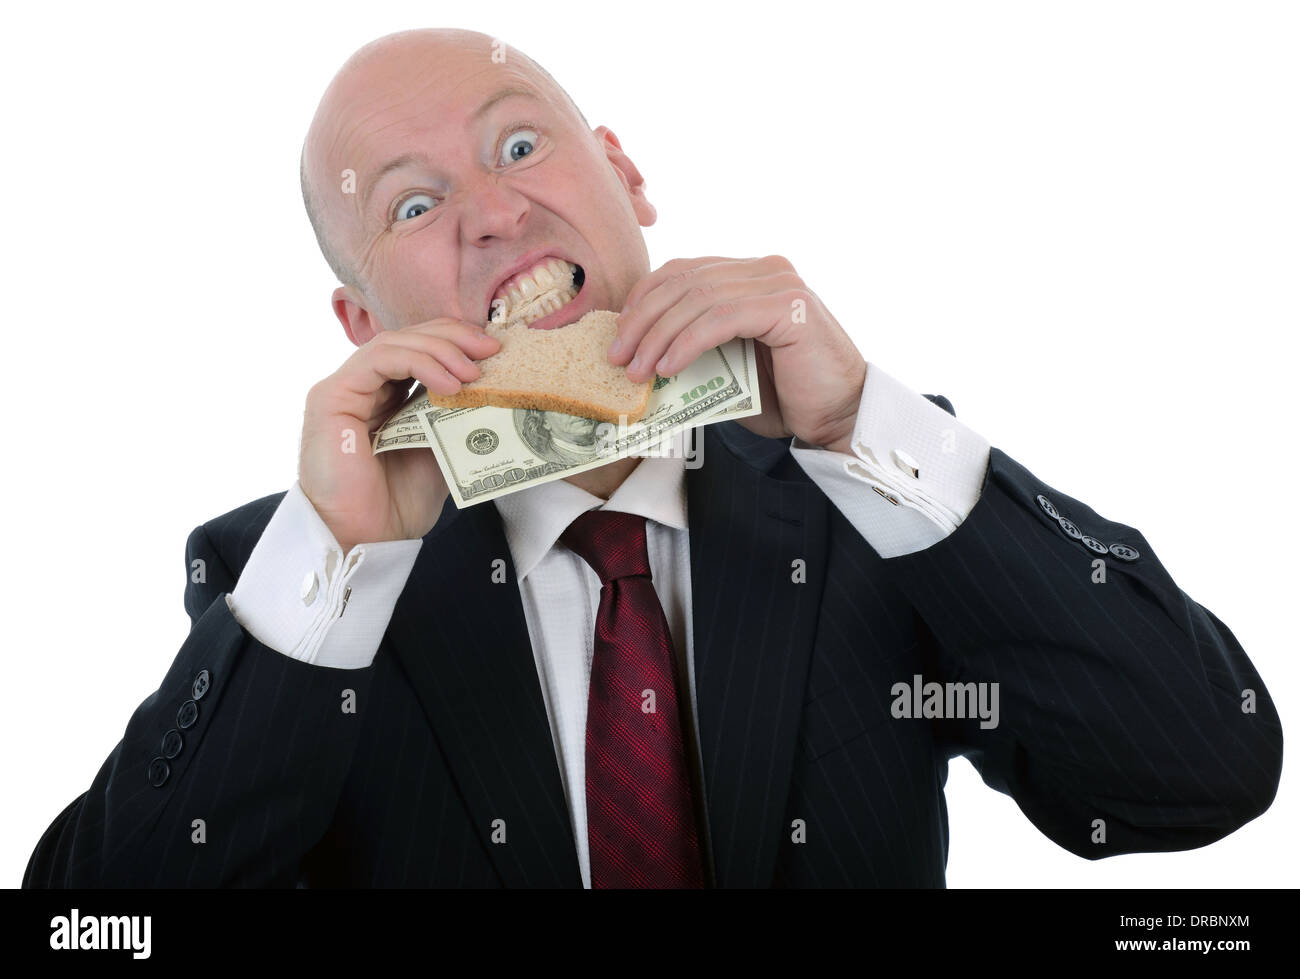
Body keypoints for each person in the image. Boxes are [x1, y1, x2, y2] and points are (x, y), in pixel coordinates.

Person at [23, 28, 1282, 889]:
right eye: (411, 205)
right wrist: (338, 564)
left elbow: (1202, 772)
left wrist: (863, 430)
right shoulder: (297, 582)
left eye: (520, 147)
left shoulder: (868, 502)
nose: (496, 213)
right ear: (364, 324)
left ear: (622, 173)